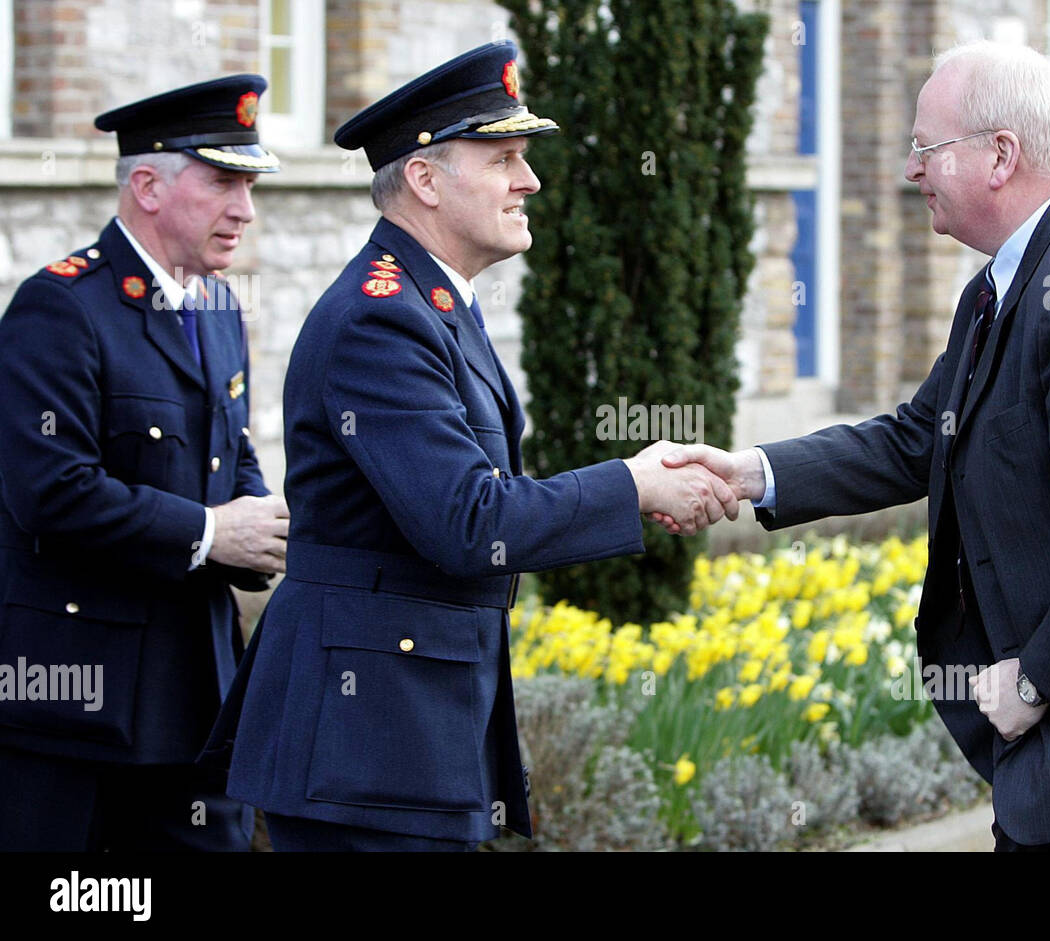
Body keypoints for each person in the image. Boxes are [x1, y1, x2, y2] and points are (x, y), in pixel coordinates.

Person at [658, 41, 1050, 851]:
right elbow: (920, 436)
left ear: (1001, 156)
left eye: (926, 147)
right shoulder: (1015, 273)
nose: (907, 169)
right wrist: (752, 472)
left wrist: (1035, 680)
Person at [205, 41, 736, 852]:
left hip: (403, 731)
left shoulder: (435, 304)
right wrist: (631, 484)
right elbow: (467, 519)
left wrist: (635, 484)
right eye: (507, 159)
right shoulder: (381, 318)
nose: (530, 181)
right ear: (424, 179)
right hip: (365, 744)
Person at [0, 75, 290, 851]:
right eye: (224, 181)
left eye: (250, 184)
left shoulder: (219, 308)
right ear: (148, 185)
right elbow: (49, 489)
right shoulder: (62, 307)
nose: (245, 209)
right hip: (82, 713)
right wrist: (207, 531)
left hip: (198, 699)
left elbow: (231, 448)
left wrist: (265, 527)